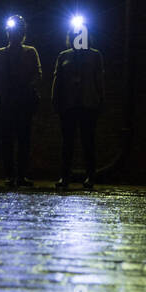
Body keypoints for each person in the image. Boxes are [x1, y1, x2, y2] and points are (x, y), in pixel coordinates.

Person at [0, 15, 41, 187]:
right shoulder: (2, 54)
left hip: (20, 103)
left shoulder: (27, 52)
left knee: (21, 140)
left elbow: (37, 76)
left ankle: (18, 175)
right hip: (8, 103)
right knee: (9, 141)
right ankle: (12, 175)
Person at [51, 24, 105, 190]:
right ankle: (65, 176)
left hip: (88, 104)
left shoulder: (95, 55)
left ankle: (90, 176)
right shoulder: (63, 56)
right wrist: (55, 100)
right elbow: (57, 80)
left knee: (88, 141)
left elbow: (99, 80)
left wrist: (100, 100)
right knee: (68, 142)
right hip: (69, 104)